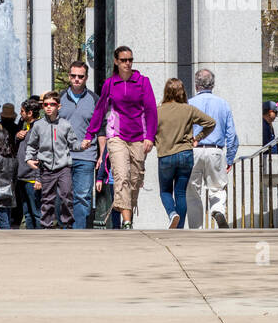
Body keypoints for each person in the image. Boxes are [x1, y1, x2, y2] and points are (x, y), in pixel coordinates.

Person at [82, 45, 157, 229]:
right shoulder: (110, 84)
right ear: (116, 61)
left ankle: (125, 209)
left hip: (139, 136)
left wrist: (150, 136)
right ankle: (127, 221)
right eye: (123, 60)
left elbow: (151, 110)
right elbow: (100, 110)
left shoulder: (142, 82)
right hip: (117, 136)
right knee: (121, 175)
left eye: (130, 60)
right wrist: (89, 134)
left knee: (135, 179)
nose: (128, 63)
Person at [155, 78, 216, 228]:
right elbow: (211, 123)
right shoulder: (189, 109)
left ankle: (171, 214)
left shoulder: (158, 111)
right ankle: (179, 227)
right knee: (181, 193)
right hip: (185, 154)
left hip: (166, 155)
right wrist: (197, 138)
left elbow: (149, 131)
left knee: (165, 191)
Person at [187, 67, 240, 230]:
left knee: (192, 192)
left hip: (194, 150)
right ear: (213, 85)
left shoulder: (189, 104)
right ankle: (217, 210)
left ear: (196, 85)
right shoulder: (223, 104)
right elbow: (232, 135)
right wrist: (230, 158)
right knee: (217, 187)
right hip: (215, 150)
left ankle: (197, 228)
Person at [26, 90, 82, 228]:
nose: (49, 107)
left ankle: (67, 224)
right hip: (46, 167)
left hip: (63, 167)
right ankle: (46, 225)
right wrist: (28, 158)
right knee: (47, 198)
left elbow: (73, 143)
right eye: (45, 105)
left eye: (52, 104)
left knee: (66, 195)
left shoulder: (65, 124)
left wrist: (82, 146)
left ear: (59, 106)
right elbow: (31, 145)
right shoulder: (38, 125)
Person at [59, 61, 98, 229]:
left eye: (80, 76)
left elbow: (101, 129)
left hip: (86, 156)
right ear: (69, 76)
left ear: (86, 78)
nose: (76, 79)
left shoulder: (94, 99)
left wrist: (101, 157)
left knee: (82, 196)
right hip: (62, 156)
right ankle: (64, 231)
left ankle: (79, 232)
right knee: (62, 195)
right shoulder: (58, 98)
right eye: (73, 76)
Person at [15, 97, 42, 229]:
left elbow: (41, 155)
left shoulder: (39, 128)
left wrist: (38, 178)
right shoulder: (26, 125)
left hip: (32, 178)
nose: (20, 114)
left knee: (36, 212)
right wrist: (17, 136)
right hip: (23, 176)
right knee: (27, 213)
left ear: (30, 113)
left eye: (22, 111)